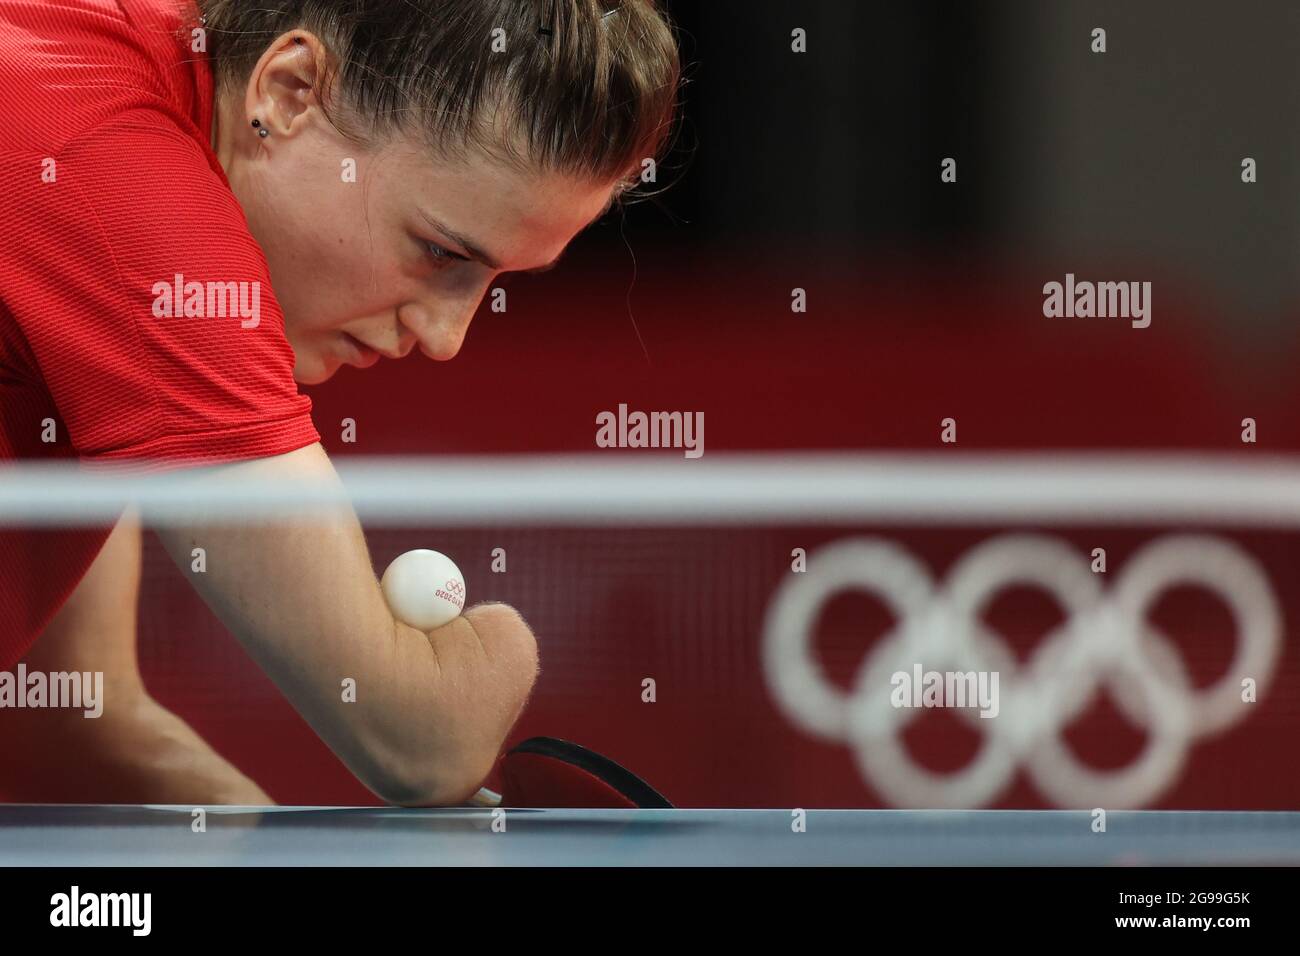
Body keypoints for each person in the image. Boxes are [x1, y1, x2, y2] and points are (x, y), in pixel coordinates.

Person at [0, 0, 681, 805]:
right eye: (440, 252)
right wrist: (497, 647)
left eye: (494, 281)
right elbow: (420, 739)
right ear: (289, 93)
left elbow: (72, 726)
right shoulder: (109, 167)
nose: (446, 336)